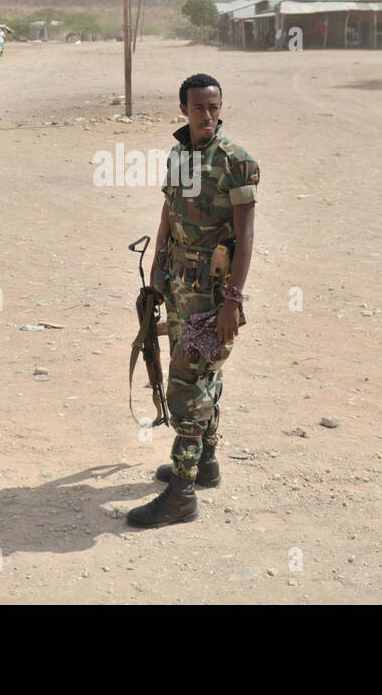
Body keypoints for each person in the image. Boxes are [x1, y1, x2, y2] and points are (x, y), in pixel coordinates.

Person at [126, 73, 259, 528]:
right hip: (181, 285)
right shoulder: (180, 156)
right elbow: (169, 213)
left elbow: (245, 237)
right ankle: (205, 463)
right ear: (183, 109)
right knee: (205, 379)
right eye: (199, 107)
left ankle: (181, 492)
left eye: (214, 106)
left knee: (187, 385)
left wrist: (233, 303)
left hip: (213, 294)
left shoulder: (237, 162)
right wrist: (159, 273)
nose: (208, 114)